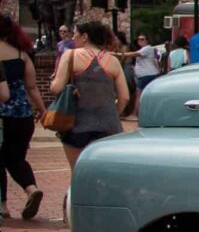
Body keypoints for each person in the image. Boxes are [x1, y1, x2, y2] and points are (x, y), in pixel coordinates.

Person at [50, 21, 128, 179]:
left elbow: (57, 88)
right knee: (105, 175)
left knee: (78, 173)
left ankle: (77, 202)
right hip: (109, 126)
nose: (73, 38)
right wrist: (114, 112)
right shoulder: (113, 61)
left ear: (85, 36)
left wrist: (54, 81)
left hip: (76, 124)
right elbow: (124, 97)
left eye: (75, 34)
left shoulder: (71, 55)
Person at [0, 15, 46, 220]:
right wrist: (42, 109)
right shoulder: (22, 53)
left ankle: (3, 205)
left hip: (3, 115)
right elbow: (32, 86)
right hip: (23, 114)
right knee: (17, 158)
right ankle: (31, 188)